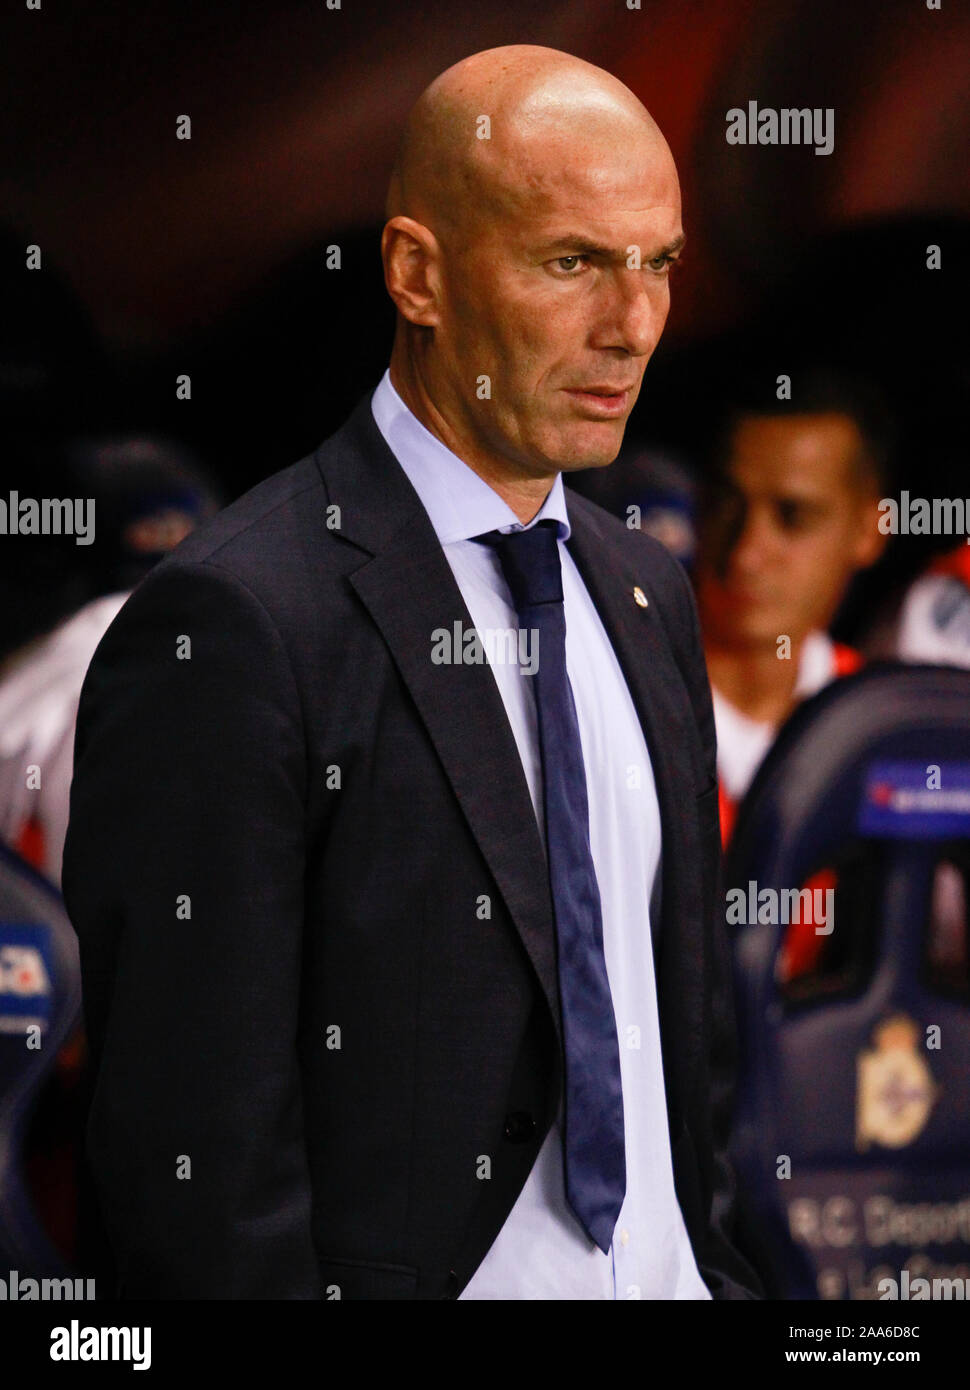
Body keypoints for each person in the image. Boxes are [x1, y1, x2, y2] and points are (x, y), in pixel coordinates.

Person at [63, 46, 761, 1301]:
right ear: (415, 273)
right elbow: (192, 1167)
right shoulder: (236, 622)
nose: (635, 325)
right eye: (572, 262)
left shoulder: (647, 595)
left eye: (658, 263)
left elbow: (686, 1053)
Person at [694, 369, 891, 849]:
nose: (746, 552)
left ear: (870, 528)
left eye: (793, 516)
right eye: (728, 505)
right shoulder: (613, 699)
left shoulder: (887, 731)